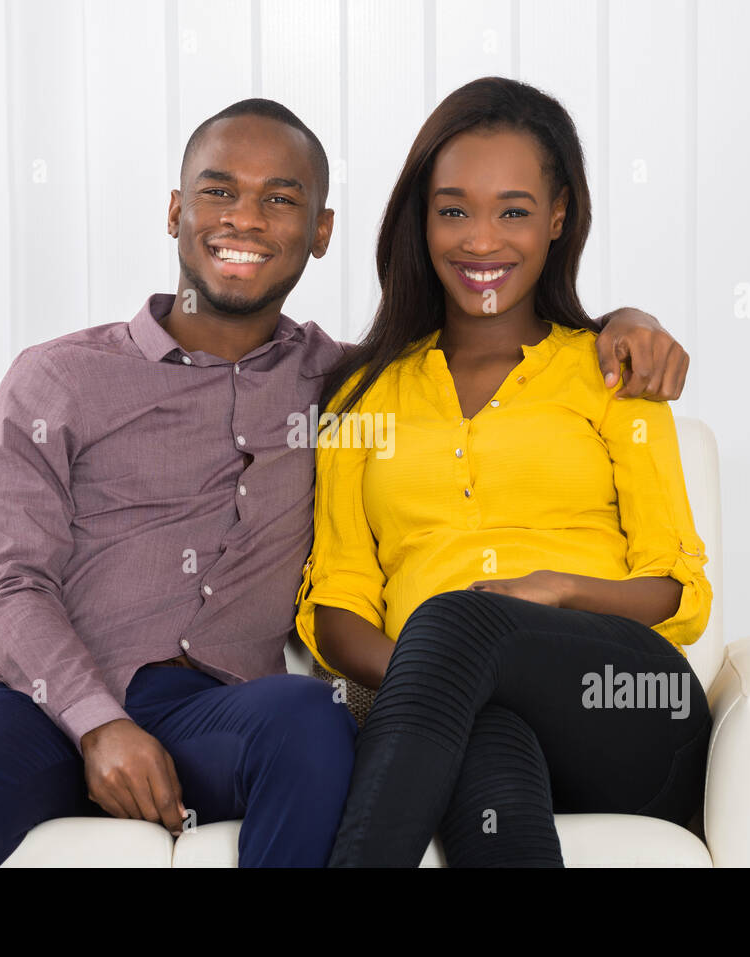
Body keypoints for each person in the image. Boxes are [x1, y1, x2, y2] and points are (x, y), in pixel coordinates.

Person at [0, 96, 688, 868]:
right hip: (43, 706)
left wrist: (628, 322)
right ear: (176, 211)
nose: (245, 219)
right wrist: (97, 721)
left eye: (280, 200)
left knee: (309, 721)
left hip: (219, 711)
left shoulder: (342, 384)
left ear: (321, 231)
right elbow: (7, 582)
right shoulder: (61, 379)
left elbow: (505, 342)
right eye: (219, 192)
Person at [295, 76, 713, 867]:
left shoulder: (613, 373)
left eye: (513, 211)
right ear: (421, 221)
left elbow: (677, 589)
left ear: (557, 219)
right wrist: (445, 681)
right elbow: (336, 603)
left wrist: (555, 590)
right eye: (454, 210)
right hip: (474, 714)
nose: (480, 240)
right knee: (488, 757)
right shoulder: (361, 398)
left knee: (457, 621)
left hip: (626, 704)